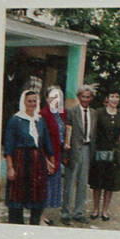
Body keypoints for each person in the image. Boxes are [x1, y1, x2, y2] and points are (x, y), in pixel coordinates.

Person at [3, 88, 54, 225]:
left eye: (34, 101)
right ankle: (16, 226)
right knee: (17, 195)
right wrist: (10, 168)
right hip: (20, 161)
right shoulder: (15, 120)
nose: (32, 103)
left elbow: (47, 144)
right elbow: (8, 146)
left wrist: (51, 162)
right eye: (29, 101)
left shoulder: (40, 121)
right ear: (24, 102)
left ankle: (34, 225)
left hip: (37, 163)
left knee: (37, 196)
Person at [61, 85, 100, 224]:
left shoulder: (94, 113)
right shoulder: (71, 112)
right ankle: (65, 213)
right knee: (69, 183)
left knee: (83, 183)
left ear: (92, 98)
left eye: (88, 97)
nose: (85, 99)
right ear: (78, 97)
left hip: (87, 149)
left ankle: (79, 212)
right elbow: (67, 133)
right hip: (73, 150)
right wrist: (65, 153)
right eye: (83, 96)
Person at [89, 86, 120, 220]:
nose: (114, 99)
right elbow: (94, 132)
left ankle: (105, 210)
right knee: (97, 184)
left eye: (117, 97)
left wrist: (117, 148)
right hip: (99, 152)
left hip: (114, 153)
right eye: (112, 96)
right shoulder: (98, 113)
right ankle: (95, 209)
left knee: (109, 184)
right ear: (107, 98)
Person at [39, 86, 66, 223]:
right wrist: (46, 159)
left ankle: (43, 216)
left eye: (58, 96)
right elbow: (40, 139)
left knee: (52, 187)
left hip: (58, 154)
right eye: (53, 96)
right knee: (44, 186)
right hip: (48, 156)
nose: (56, 99)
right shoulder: (43, 114)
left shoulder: (60, 113)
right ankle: (39, 218)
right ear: (46, 98)